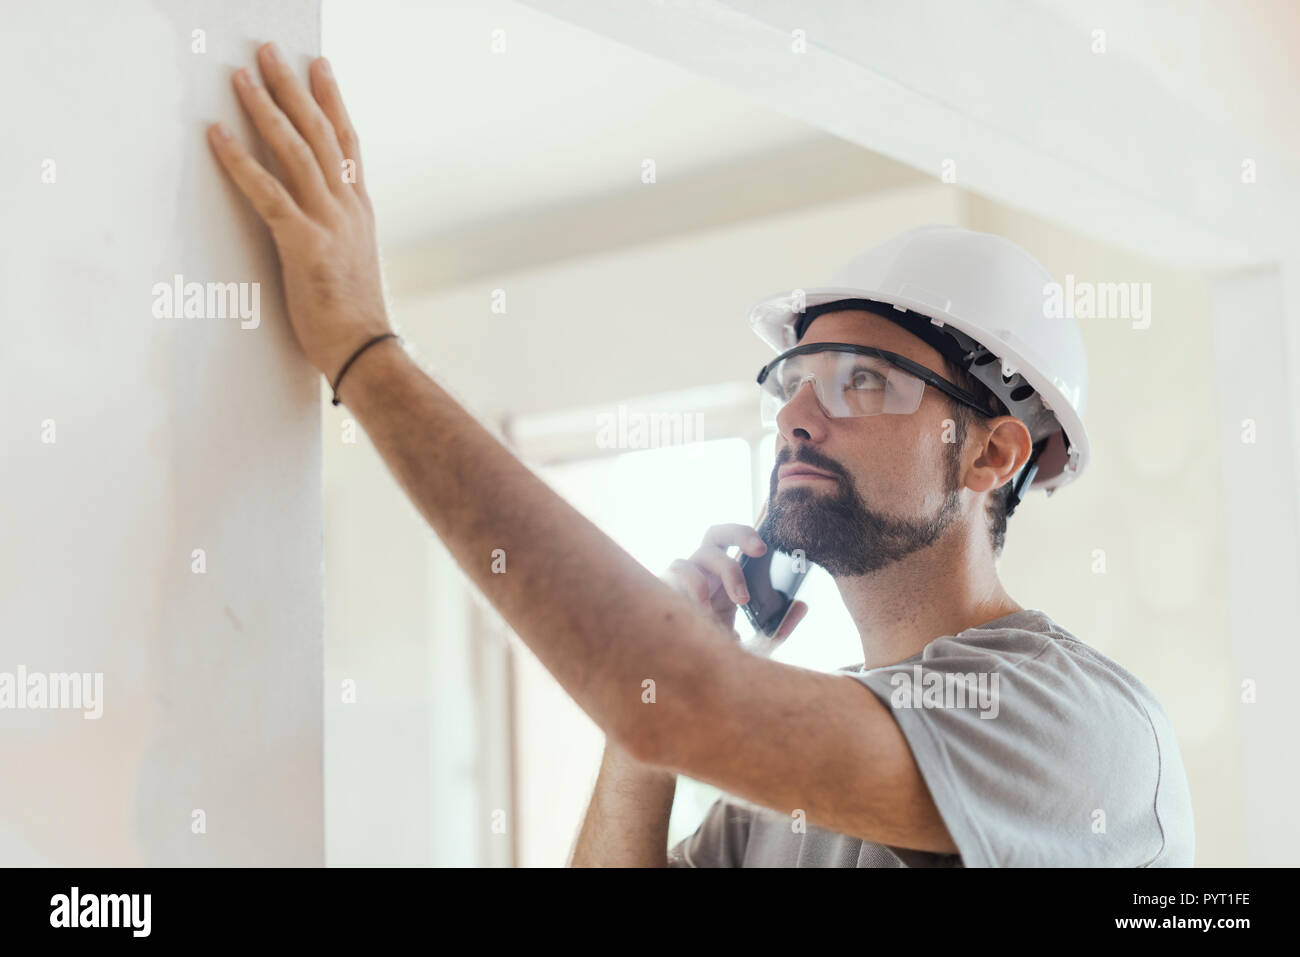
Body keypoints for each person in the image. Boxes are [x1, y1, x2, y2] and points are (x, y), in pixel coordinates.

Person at [207, 43, 1195, 867]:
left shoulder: (1078, 727)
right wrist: (644, 730)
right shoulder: (785, 793)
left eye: (861, 380)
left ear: (990, 455)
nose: (799, 417)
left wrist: (363, 354)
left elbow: (683, 703)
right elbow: (675, 715)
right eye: (794, 384)